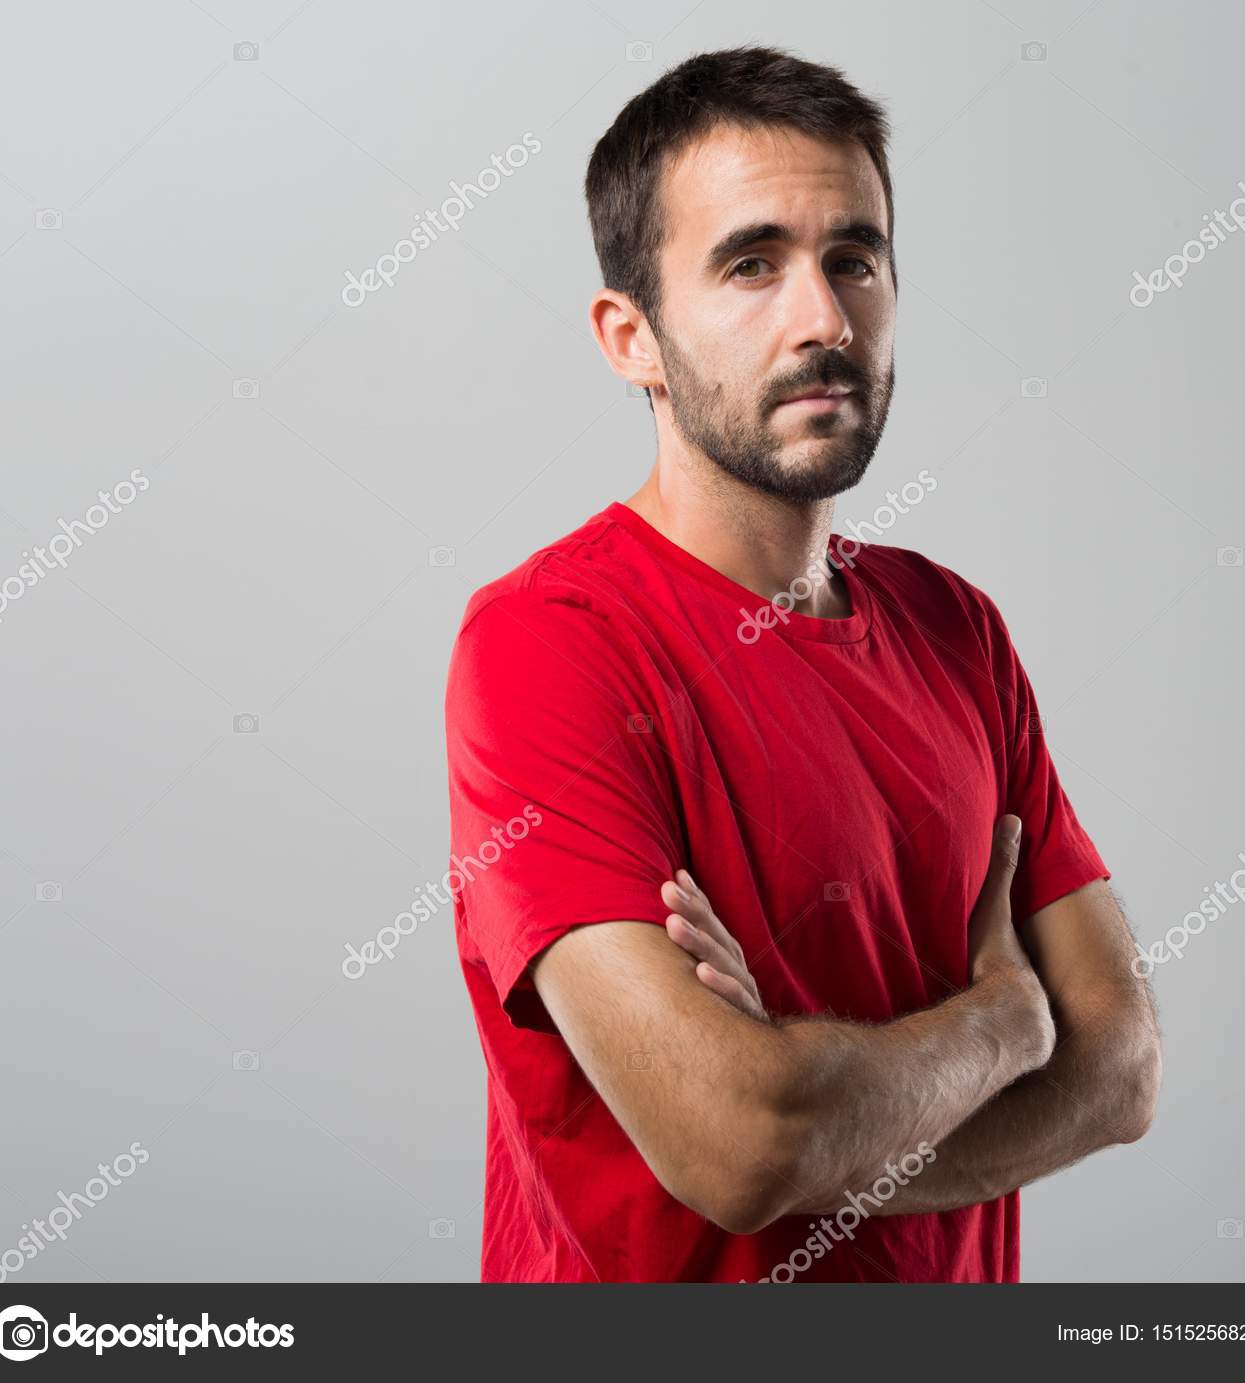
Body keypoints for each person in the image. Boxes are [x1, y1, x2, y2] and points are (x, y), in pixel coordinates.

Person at [444, 45, 1161, 1283]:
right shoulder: (549, 647)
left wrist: (826, 1122)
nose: (824, 319)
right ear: (633, 338)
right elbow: (740, 1144)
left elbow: (1116, 1069)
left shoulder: (956, 631)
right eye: (750, 264)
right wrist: (1001, 1019)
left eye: (855, 258)